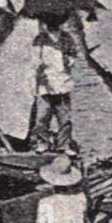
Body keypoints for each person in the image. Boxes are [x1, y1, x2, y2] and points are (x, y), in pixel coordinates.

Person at [32, 17, 74, 151]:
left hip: (62, 82)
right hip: (45, 84)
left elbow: (73, 55)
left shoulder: (66, 38)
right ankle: (42, 142)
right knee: (42, 117)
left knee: (64, 118)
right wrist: (40, 69)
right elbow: (34, 60)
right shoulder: (40, 39)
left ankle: (64, 144)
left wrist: (69, 60)